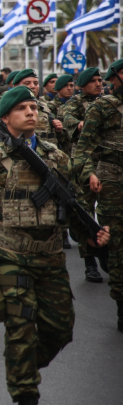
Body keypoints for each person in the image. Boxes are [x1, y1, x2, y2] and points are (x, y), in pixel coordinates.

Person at [0, 86, 109, 405]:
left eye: (33, 107)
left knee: (60, 328)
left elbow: (71, 206)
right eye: (21, 108)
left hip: (50, 254)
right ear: (5, 117)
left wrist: (90, 234)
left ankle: (19, 366)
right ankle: (27, 400)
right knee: (20, 328)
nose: (30, 112)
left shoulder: (56, 157)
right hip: (8, 254)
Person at [74, 57, 123, 332]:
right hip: (112, 182)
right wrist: (90, 173)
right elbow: (84, 148)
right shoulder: (102, 107)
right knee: (117, 245)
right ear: (115, 77)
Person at [61, 67, 105, 282]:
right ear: (83, 85)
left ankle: (109, 255)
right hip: (84, 163)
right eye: (94, 81)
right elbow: (68, 120)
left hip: (109, 164)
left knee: (110, 214)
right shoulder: (75, 103)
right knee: (86, 213)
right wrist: (79, 124)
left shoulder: (109, 102)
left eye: (100, 80)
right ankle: (90, 263)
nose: (99, 84)